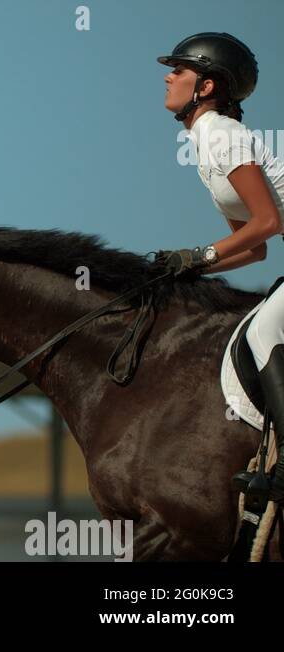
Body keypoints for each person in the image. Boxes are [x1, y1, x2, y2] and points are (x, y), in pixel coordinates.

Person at [157, 32, 284, 499]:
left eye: (179, 70)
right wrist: (187, 270)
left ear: (206, 87)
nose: (168, 78)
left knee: (262, 332)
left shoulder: (222, 136)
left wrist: (201, 255)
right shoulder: (204, 145)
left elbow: (267, 223)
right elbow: (253, 249)